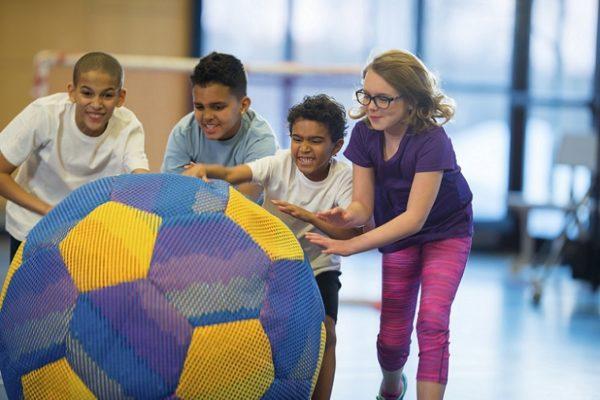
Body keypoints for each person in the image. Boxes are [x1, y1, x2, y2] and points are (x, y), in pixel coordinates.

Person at [306, 50, 473, 400]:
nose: (372, 106)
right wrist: (347, 216)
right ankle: (392, 384)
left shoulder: (431, 141)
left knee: (432, 320)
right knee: (393, 335)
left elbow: (415, 218)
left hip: (446, 232)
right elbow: (364, 206)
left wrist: (352, 245)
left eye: (383, 98)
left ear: (411, 101)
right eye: (366, 95)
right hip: (399, 235)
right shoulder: (366, 135)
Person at [183, 94, 358, 400]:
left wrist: (309, 217)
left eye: (315, 141)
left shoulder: (344, 178)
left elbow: (348, 235)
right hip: (272, 261)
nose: (303, 148)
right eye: (297, 139)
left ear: (337, 146)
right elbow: (235, 174)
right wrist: (206, 170)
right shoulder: (280, 163)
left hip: (318, 267)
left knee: (326, 334)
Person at [0, 51, 150, 263]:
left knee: (82, 296)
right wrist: (50, 211)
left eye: (107, 95)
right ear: (71, 92)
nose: (96, 104)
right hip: (32, 228)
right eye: (87, 93)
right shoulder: (44, 114)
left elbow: (139, 176)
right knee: (31, 296)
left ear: (120, 97)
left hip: (89, 232)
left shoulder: (129, 126)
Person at [161, 51, 277, 200]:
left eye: (218, 107)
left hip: (249, 221)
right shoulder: (184, 132)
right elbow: (170, 195)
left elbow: (244, 203)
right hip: (194, 218)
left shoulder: (261, 140)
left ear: (243, 105)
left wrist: (200, 183)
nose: (207, 117)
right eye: (199, 107)